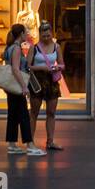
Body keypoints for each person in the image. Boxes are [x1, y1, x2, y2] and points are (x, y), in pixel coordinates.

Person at [2, 23, 45, 156]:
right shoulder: (16, 49)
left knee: (13, 115)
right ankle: (30, 145)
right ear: (20, 34)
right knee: (24, 116)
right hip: (17, 86)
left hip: (11, 87)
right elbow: (16, 69)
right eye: (25, 32)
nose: (27, 34)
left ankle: (12, 144)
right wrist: (24, 86)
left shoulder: (10, 47)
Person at [28, 21, 66, 151]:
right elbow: (28, 67)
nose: (46, 38)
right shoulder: (34, 48)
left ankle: (50, 142)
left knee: (51, 112)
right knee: (34, 112)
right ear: (39, 35)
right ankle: (30, 142)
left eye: (48, 36)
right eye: (43, 36)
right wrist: (42, 68)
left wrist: (56, 67)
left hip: (51, 81)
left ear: (51, 34)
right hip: (37, 81)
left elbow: (62, 64)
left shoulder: (57, 47)